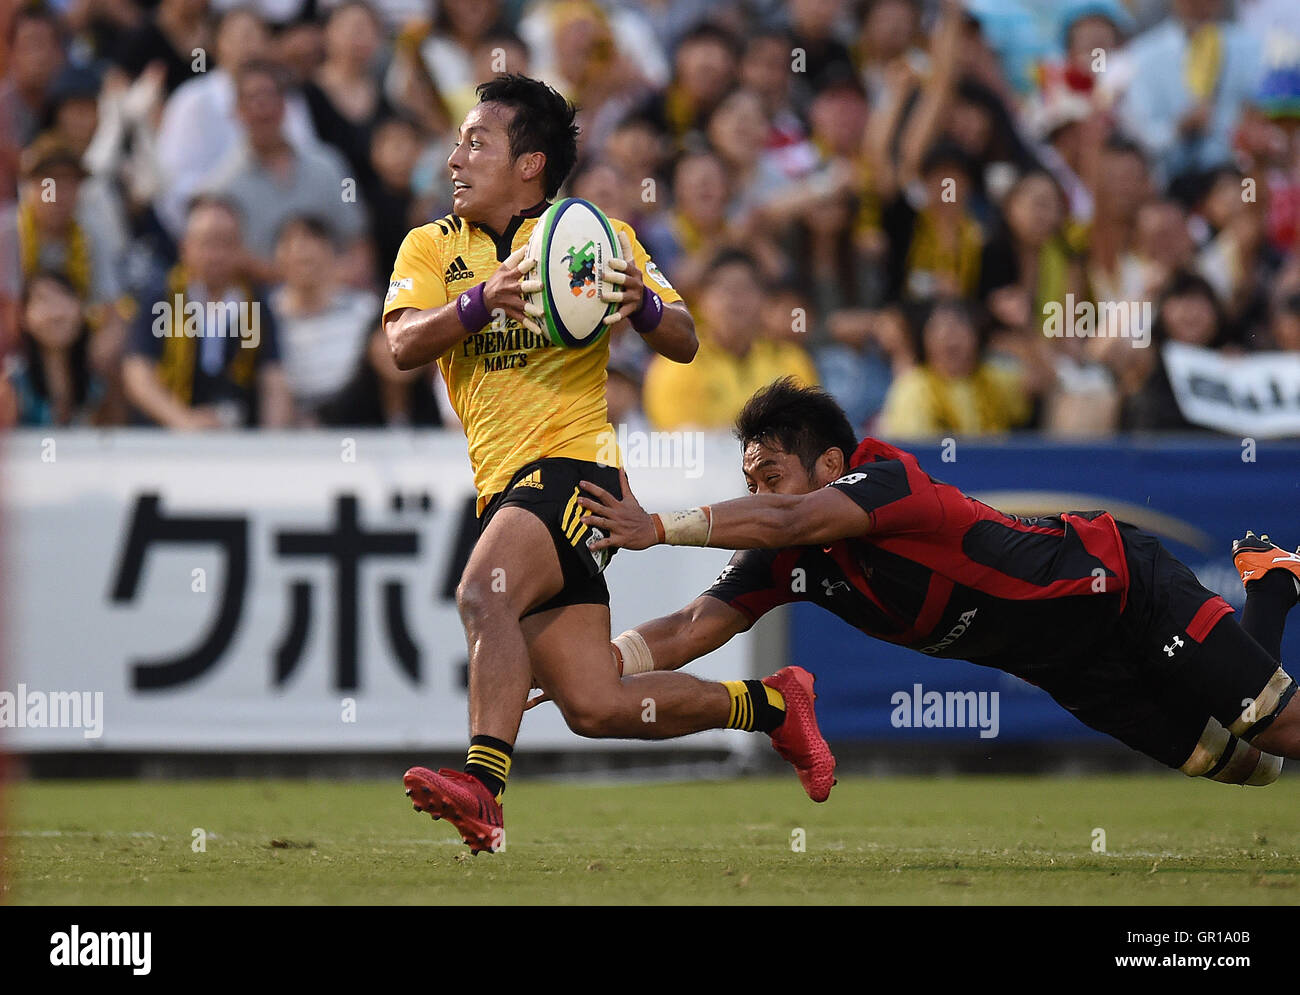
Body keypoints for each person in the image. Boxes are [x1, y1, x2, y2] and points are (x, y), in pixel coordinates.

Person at [382, 74, 833, 853]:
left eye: (476, 141)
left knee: (482, 591)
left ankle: (483, 790)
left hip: (573, 471)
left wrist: (646, 307)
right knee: (597, 705)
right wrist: (479, 301)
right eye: (458, 140)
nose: (455, 157)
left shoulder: (591, 240)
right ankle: (771, 706)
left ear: (530, 163)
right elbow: (399, 345)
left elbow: (685, 338)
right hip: (504, 486)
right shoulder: (432, 247)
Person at [572, 377, 1300, 791]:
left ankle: (1267, 588)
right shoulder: (784, 553)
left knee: (1278, 723)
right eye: (751, 480)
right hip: (1070, 667)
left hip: (1122, 586)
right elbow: (694, 623)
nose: (760, 491)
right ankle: (1268, 586)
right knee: (1248, 764)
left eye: (771, 474)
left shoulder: (886, 479)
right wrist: (599, 666)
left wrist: (660, 526)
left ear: (831, 465)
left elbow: (788, 517)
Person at [122, 195, 292, 429]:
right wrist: (182, 420)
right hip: (166, 437)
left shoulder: (255, 305)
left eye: (226, 243)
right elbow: (139, 375)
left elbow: (273, 379)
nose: (216, 255)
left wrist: (274, 441)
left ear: (240, 248)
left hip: (237, 441)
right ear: (185, 248)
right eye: (207, 243)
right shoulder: (160, 300)